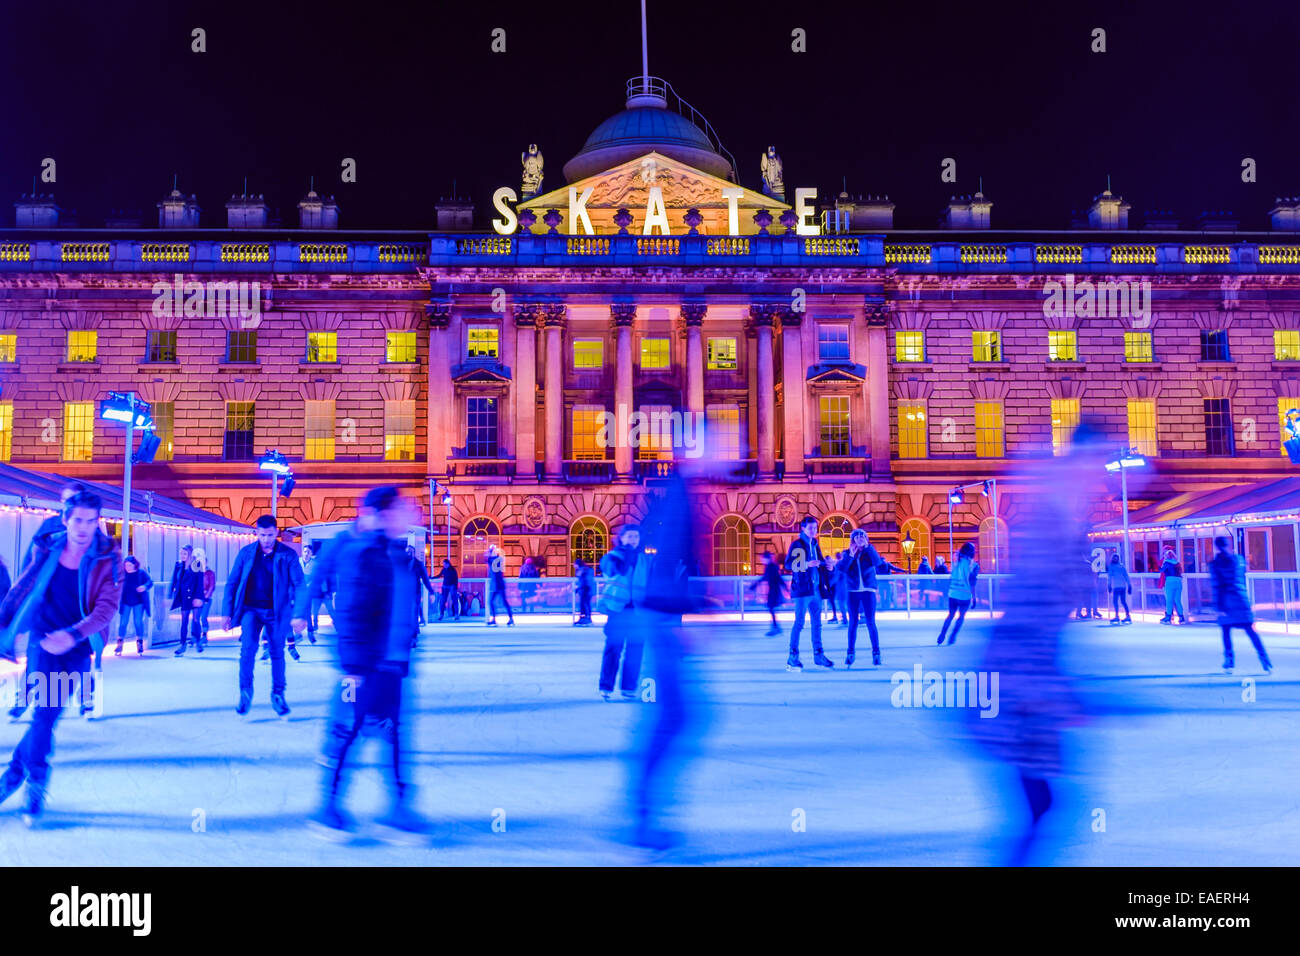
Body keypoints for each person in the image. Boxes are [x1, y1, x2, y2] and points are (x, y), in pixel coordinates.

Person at [295, 486, 432, 843]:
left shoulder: (388, 549)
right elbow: (353, 611)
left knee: (390, 734)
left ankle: (396, 808)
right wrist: (353, 667)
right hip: (362, 666)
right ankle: (328, 808)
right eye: (401, 509)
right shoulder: (363, 551)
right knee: (346, 732)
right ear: (382, 513)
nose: (409, 515)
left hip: (387, 664)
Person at [0, 490, 122, 825]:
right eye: (78, 520)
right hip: (43, 638)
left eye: (91, 521)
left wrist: (73, 635)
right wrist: (9, 626)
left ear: (98, 523)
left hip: (80, 644)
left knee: (49, 716)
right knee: (43, 712)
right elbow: (24, 588)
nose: (84, 528)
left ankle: (13, 773)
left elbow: (107, 608)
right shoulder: (46, 548)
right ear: (65, 520)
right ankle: (35, 780)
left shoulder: (108, 556)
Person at [224, 515, 304, 718]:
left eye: (270, 535)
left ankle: (278, 694)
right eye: (262, 535)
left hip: (277, 612)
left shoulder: (287, 555)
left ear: (276, 532)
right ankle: (245, 691)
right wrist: (227, 613)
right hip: (251, 610)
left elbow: (300, 585)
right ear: (256, 533)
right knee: (248, 649)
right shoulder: (246, 553)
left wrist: (300, 614)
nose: (266, 539)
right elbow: (232, 583)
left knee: (277, 652)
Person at [597, 527, 651, 700]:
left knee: (635, 651)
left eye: (636, 536)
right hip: (618, 611)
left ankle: (629, 686)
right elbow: (616, 571)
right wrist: (627, 552)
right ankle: (606, 686)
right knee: (613, 649)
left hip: (638, 612)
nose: (633, 539)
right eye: (629, 536)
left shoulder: (643, 559)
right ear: (621, 538)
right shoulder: (611, 557)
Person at [1209, 536, 1272, 673]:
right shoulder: (1238, 560)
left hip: (1225, 599)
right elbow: (1240, 577)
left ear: (1216, 547)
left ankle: (1229, 660)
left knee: (1226, 630)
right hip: (1239, 597)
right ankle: (1264, 658)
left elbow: (1217, 585)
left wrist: (1218, 604)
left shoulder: (1215, 564)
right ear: (1228, 545)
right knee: (1250, 630)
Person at [783, 516, 834, 670]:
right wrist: (805, 563)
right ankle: (793, 656)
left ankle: (818, 655)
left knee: (817, 624)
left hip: (816, 590)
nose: (813, 530)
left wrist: (828, 565)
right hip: (803, 590)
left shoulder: (814, 544)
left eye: (815, 527)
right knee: (799, 623)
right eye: (810, 528)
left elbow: (819, 564)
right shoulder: (797, 544)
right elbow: (788, 564)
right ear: (803, 529)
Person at [843, 529, 884, 667]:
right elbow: (842, 569)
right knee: (853, 622)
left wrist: (868, 547)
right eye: (857, 536)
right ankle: (850, 653)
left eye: (862, 536)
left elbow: (878, 562)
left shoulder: (869, 552)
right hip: (852, 592)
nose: (860, 538)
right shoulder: (847, 552)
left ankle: (876, 653)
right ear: (853, 539)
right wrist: (850, 554)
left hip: (868, 591)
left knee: (870, 622)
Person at [936, 541, 979, 645]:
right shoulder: (974, 566)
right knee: (961, 616)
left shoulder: (955, 564)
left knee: (950, 615)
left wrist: (947, 593)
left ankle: (942, 633)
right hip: (965, 595)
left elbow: (951, 579)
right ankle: (953, 636)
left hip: (953, 593)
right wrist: (974, 598)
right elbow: (972, 583)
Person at [115, 555, 152, 656]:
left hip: (138, 601)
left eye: (130, 565)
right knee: (123, 623)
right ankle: (119, 644)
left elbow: (150, 582)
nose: (128, 567)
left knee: (138, 622)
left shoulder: (141, 573)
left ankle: (139, 642)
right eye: (126, 565)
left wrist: (144, 586)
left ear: (135, 564)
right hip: (126, 601)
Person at [746, 551, 786, 636]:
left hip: (774, 591)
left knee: (771, 608)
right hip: (773, 590)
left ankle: (776, 628)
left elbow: (778, 578)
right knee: (771, 608)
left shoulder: (771, 567)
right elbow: (765, 578)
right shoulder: (770, 567)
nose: (762, 560)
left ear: (767, 558)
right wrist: (754, 585)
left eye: (763, 558)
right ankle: (775, 627)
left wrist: (786, 588)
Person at [168, 544, 194, 643]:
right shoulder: (178, 564)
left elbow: (198, 581)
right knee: (184, 619)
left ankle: (196, 637)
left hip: (193, 594)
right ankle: (183, 642)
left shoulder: (195, 565)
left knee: (196, 619)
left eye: (185, 554)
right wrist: (170, 594)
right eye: (181, 553)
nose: (182, 556)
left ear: (190, 554)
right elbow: (174, 579)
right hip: (183, 596)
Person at [191, 548, 216, 645]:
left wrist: (206, 597)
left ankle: (204, 635)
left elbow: (212, 586)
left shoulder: (210, 572)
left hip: (206, 598)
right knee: (195, 617)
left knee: (203, 617)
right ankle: (194, 636)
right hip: (196, 598)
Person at [486, 545, 514, 626]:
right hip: (497, 584)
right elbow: (488, 560)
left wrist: (490, 552)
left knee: (500, 602)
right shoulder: (495, 561)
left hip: (498, 585)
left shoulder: (496, 561)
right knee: (493, 602)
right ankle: (506, 618)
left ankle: (509, 618)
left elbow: (490, 561)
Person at [406, 546, 433, 632]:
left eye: (410, 552)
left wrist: (431, 592)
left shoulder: (419, 564)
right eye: (407, 552)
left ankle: (414, 632)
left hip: (415, 592)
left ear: (414, 553)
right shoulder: (402, 563)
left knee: (414, 611)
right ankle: (412, 629)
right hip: (405, 592)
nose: (409, 553)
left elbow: (425, 578)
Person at [1158, 548, 1188, 625]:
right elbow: (1180, 572)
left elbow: (1161, 570)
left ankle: (1168, 617)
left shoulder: (1166, 562)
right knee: (1177, 600)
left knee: (1169, 600)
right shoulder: (1178, 563)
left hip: (1170, 582)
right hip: (1178, 582)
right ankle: (1181, 617)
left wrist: (1159, 565)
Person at [1106, 553, 1132, 624]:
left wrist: (1109, 585)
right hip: (1123, 586)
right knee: (1123, 601)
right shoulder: (1121, 566)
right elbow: (1126, 576)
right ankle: (1128, 616)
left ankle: (1117, 616)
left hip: (1116, 586)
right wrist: (1129, 585)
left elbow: (1110, 577)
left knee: (1115, 601)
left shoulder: (1111, 566)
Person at [573, 557, 595, 626]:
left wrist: (581, 588)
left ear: (577, 564)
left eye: (575, 564)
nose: (574, 565)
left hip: (586, 590)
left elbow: (586, 581)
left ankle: (588, 619)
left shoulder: (584, 571)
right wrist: (578, 588)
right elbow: (581, 581)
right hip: (583, 590)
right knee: (582, 604)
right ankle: (582, 618)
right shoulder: (580, 571)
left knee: (586, 604)